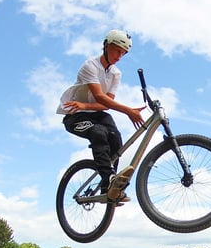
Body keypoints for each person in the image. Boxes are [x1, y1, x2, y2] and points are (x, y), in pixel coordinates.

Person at [56, 30, 146, 203]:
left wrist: (86, 105)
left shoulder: (115, 74)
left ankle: (111, 187)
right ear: (106, 45)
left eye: (123, 53)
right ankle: (110, 178)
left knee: (116, 138)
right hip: (75, 116)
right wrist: (128, 110)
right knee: (98, 133)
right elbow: (100, 97)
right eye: (117, 50)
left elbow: (106, 104)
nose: (119, 56)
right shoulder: (90, 66)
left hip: (97, 113)